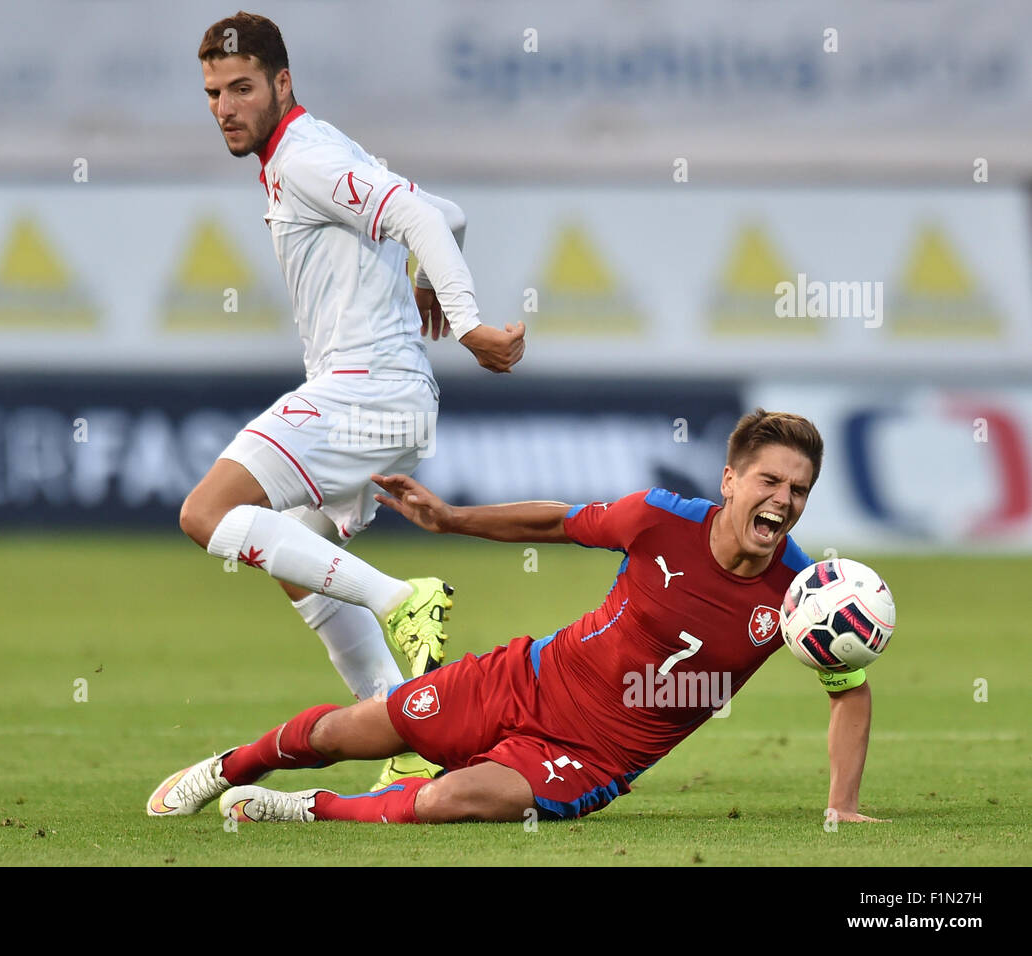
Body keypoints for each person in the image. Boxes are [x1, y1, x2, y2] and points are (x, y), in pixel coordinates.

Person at [149, 410, 887, 825]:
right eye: (770, 481)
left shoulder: (805, 598)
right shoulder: (659, 521)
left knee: (451, 798)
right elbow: (555, 523)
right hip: (528, 678)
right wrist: (448, 517)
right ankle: (222, 769)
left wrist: (841, 807)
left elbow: (849, 689)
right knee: (353, 728)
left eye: (800, 490)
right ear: (731, 480)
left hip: (596, 757)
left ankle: (308, 809)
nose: (784, 501)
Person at [154, 11, 526, 807]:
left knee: (206, 514)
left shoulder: (308, 157)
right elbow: (447, 212)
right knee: (296, 565)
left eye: (242, 88)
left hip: (364, 388)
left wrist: (466, 325)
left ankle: (402, 598)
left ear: (282, 84)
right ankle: (413, 743)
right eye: (214, 92)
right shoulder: (328, 148)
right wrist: (424, 278)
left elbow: (425, 220)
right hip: (396, 407)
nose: (225, 106)